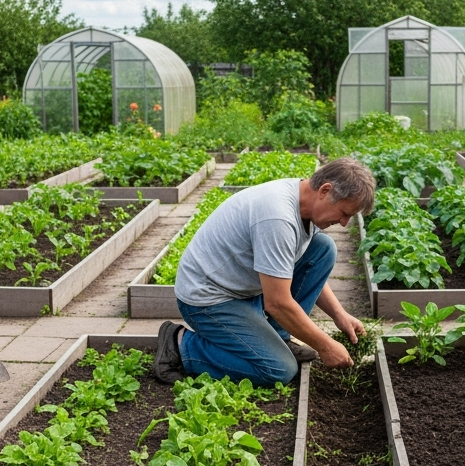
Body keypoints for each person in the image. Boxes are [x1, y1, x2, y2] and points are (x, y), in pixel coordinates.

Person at [152, 157, 376, 386]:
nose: (344, 223)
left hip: (242, 288)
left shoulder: (306, 203)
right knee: (278, 369)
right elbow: (277, 302)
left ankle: (278, 337)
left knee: (323, 249)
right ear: (325, 190)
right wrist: (325, 346)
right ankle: (181, 345)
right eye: (343, 213)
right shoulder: (277, 217)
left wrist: (340, 315)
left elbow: (303, 266)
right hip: (208, 300)